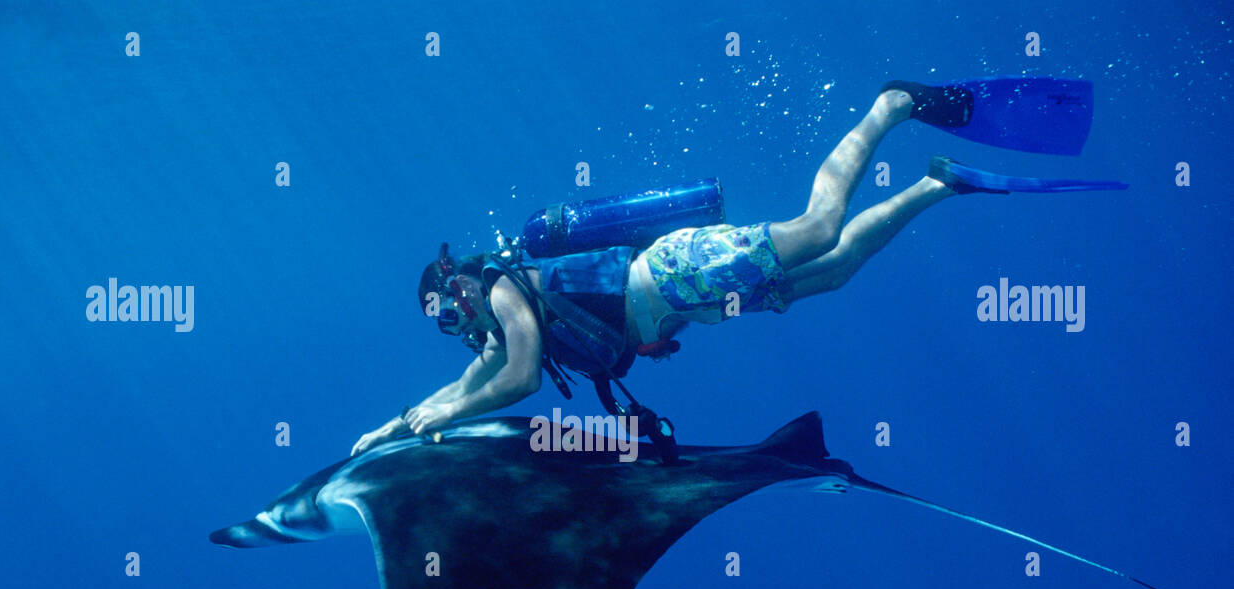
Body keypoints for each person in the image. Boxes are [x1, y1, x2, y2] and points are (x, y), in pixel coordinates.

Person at [352, 78, 1121, 455]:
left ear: (459, 281)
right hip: (690, 305)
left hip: (675, 272)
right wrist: (399, 421)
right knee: (830, 274)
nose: (456, 320)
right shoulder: (495, 323)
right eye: (445, 322)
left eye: (447, 306)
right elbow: (471, 381)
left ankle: (890, 104)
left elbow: (515, 381)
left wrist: (444, 419)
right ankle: (936, 183)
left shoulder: (502, 289)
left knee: (817, 229)